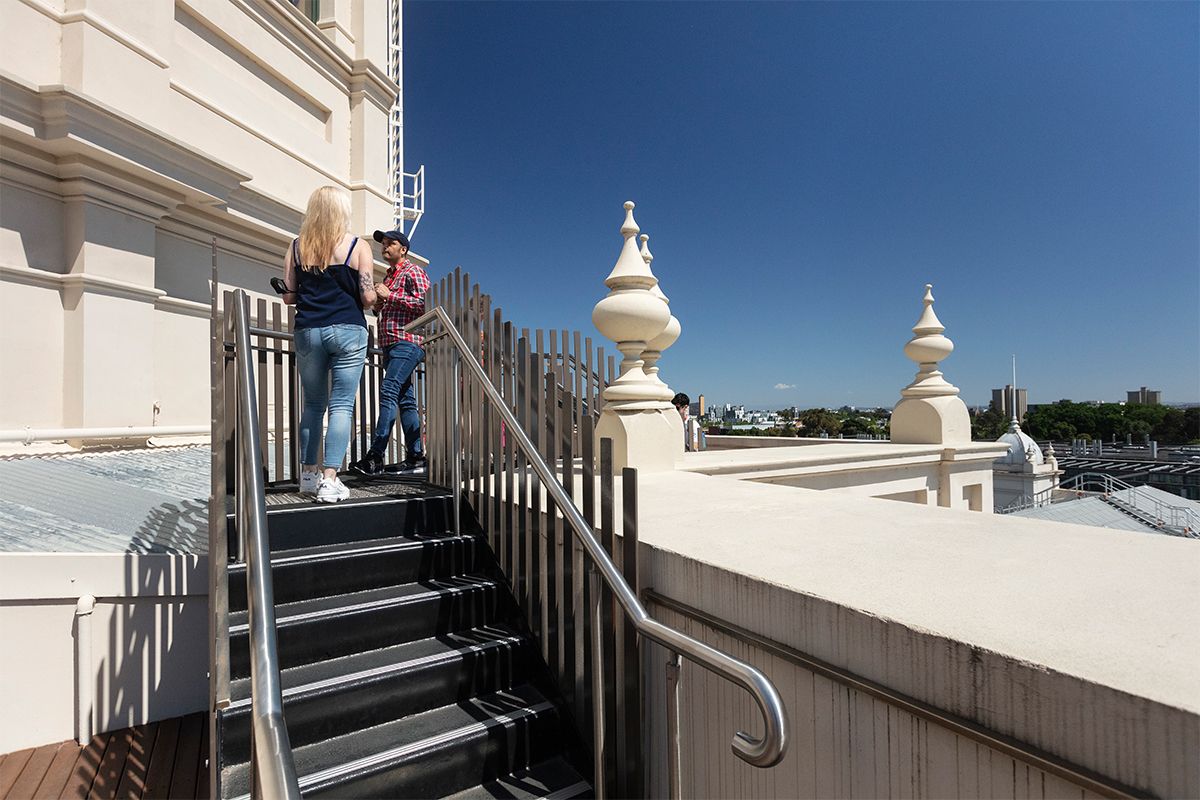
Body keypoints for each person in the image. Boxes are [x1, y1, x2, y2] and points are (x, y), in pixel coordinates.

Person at [282, 186, 376, 502]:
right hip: (348, 328)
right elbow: (366, 298)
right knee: (341, 405)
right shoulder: (357, 246)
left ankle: (308, 476)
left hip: (308, 330)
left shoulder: (295, 248)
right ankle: (330, 479)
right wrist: (376, 293)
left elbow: (289, 298)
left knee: (312, 404)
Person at [349, 229, 430, 476]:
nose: (384, 247)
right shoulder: (388, 277)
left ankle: (375, 456)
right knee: (405, 400)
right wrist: (380, 304)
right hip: (391, 344)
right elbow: (388, 309)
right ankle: (416, 456)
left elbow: (424, 304)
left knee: (389, 390)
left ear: (403, 249)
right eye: (383, 244)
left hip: (408, 342)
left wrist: (390, 296)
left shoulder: (413, 271)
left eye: (390, 243)